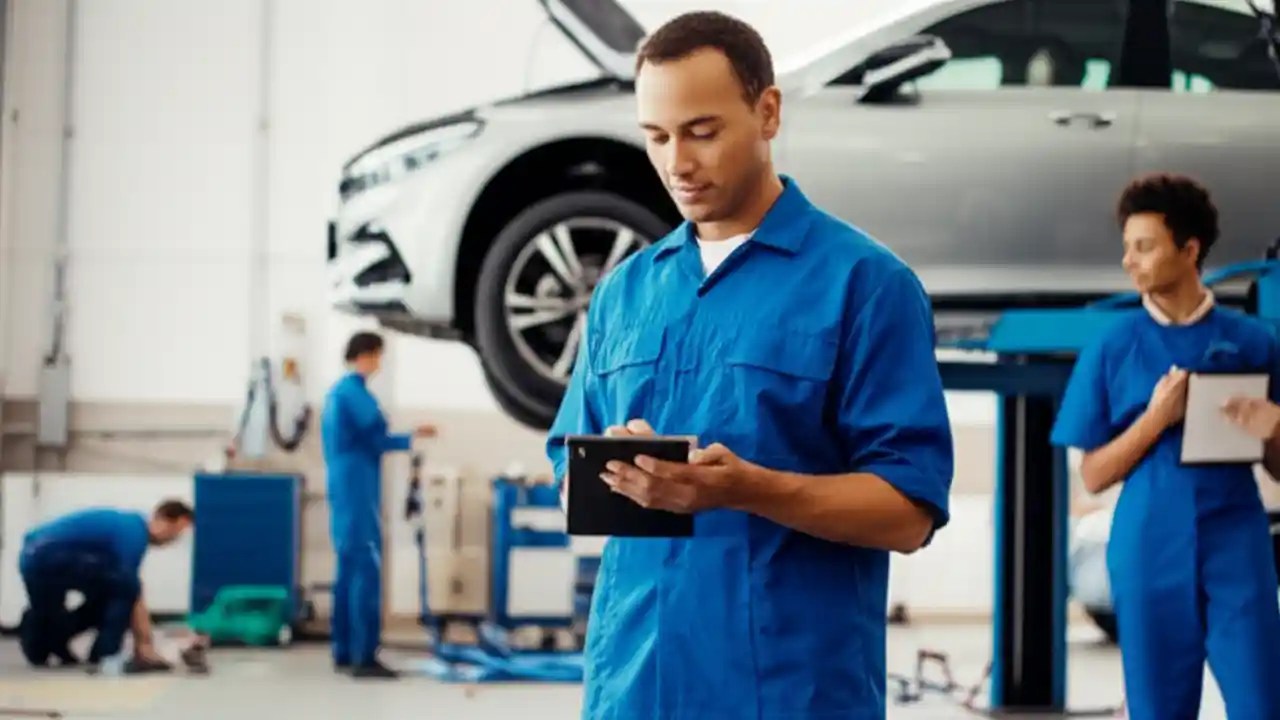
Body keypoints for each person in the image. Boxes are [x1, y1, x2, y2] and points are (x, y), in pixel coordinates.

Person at [545, 11, 954, 719]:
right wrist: (613, 472)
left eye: (702, 132)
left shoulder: (864, 285)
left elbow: (909, 513)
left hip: (790, 692)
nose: (677, 163)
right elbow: (568, 477)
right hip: (635, 687)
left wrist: (749, 489)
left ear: (767, 112)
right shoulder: (624, 292)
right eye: (657, 137)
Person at [1050, 172, 1280, 719]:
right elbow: (1093, 475)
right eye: (1127, 247)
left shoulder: (1254, 341)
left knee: (1262, 703)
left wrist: (1275, 429)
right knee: (1158, 710)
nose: (1129, 261)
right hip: (1148, 542)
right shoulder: (1112, 346)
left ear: (1190, 250)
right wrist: (1155, 420)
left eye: (1145, 247)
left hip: (1236, 538)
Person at [321, 330, 436, 679]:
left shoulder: (336, 394)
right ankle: (364, 656)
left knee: (347, 570)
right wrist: (411, 438)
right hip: (356, 487)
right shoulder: (352, 392)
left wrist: (408, 437)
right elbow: (377, 435)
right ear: (365, 355)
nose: (379, 364)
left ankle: (344, 651)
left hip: (343, 487)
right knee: (365, 567)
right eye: (377, 356)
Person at [18, 500, 195, 673]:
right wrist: (145, 643)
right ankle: (106, 655)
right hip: (53, 557)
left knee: (97, 599)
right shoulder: (135, 533)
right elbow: (132, 590)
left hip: (32, 555)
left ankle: (40, 641)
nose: (174, 540)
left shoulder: (125, 525)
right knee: (126, 589)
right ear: (162, 519)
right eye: (177, 531)